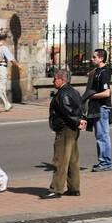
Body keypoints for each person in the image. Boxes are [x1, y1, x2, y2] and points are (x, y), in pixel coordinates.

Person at [44, 68, 86, 199]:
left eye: (55, 78)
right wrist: (82, 120)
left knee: (60, 160)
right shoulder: (74, 91)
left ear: (62, 80)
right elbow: (81, 107)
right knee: (73, 159)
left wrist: (76, 121)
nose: (53, 81)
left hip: (65, 129)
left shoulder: (62, 94)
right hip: (73, 129)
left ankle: (56, 189)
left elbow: (67, 112)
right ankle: (74, 188)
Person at [82, 48, 112, 172]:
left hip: (102, 108)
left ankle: (106, 163)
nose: (92, 59)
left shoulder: (104, 73)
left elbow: (106, 93)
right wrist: (92, 72)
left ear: (101, 58)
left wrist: (90, 95)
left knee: (102, 136)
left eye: (94, 57)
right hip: (97, 107)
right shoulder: (99, 70)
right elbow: (91, 74)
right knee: (100, 136)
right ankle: (103, 161)